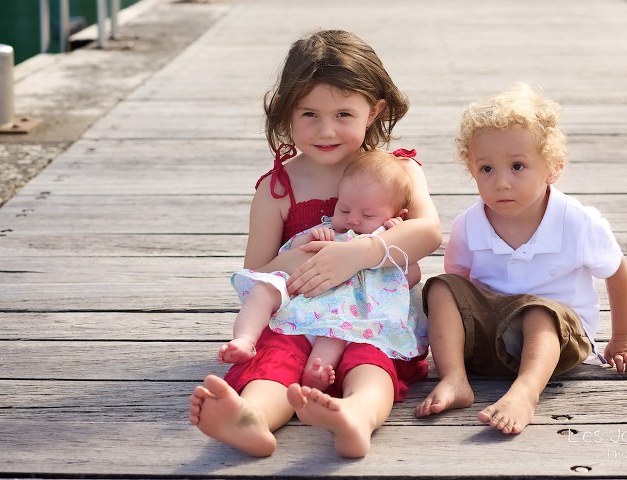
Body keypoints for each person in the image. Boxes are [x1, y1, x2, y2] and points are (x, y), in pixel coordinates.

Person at [188, 29, 441, 458]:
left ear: (374, 109)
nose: (326, 130)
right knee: (275, 361)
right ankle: (251, 418)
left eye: (344, 114)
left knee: (370, 364)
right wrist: (300, 255)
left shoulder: (399, 172)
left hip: (369, 318)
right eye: (310, 114)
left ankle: (358, 416)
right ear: (287, 113)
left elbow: (428, 232)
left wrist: (357, 254)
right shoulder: (278, 189)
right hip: (300, 316)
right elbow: (256, 272)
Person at [414, 83, 627, 435]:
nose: (501, 183)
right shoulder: (470, 224)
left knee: (538, 311)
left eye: (517, 166)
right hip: (491, 340)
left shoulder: (577, 221)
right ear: (471, 168)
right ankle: (454, 379)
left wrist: (623, 338)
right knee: (440, 287)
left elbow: (616, 273)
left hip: (557, 338)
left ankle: (525, 393)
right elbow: (460, 286)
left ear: (553, 169)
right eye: (486, 169)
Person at [220, 149, 427, 391]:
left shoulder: (385, 242)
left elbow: (411, 277)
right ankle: (245, 339)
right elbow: (287, 254)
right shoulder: (329, 229)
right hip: (303, 297)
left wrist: (393, 237)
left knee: (338, 330)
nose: (353, 220)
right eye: (344, 209)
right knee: (264, 290)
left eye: (367, 214)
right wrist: (308, 239)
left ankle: (316, 372)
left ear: (396, 216)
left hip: (344, 311)